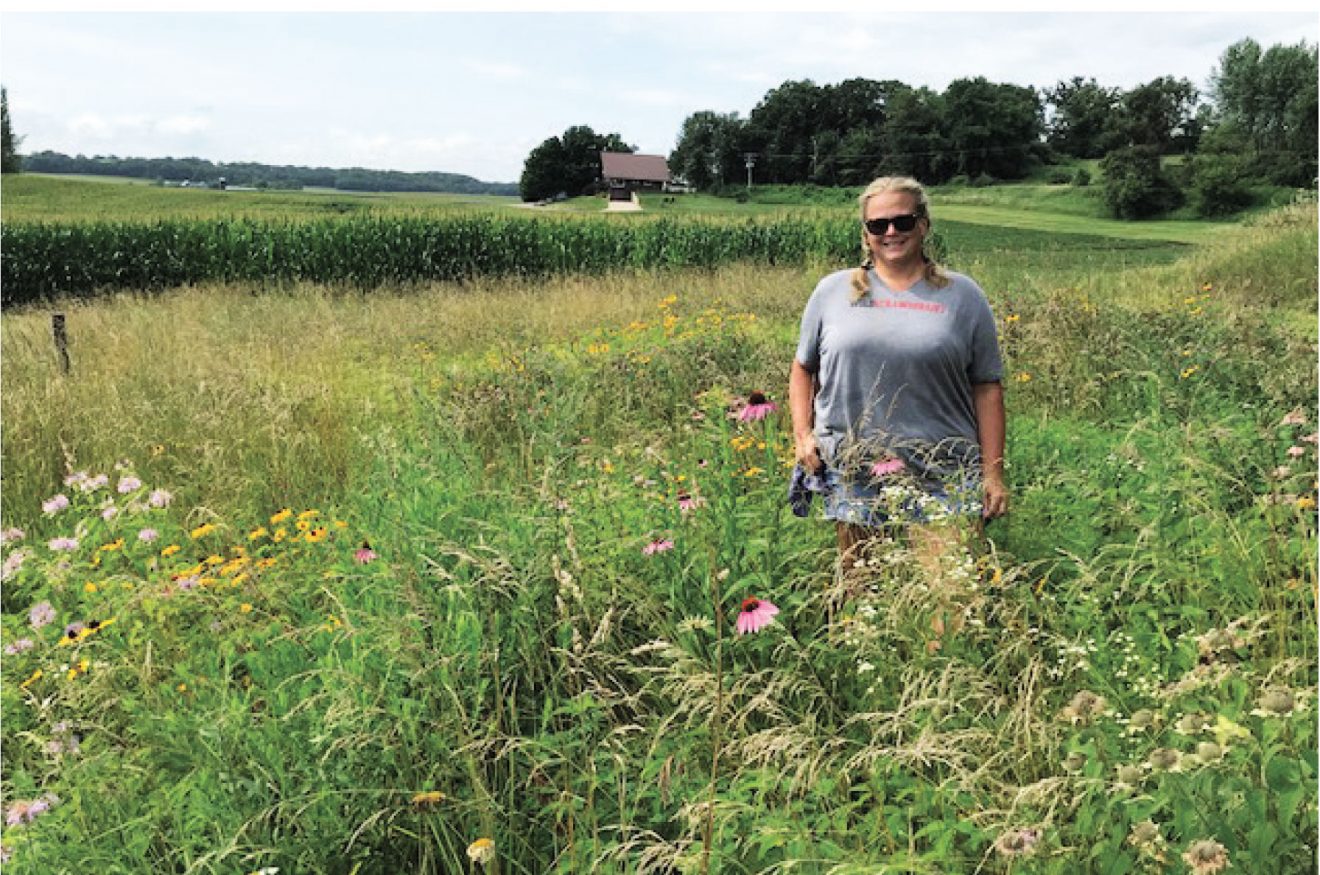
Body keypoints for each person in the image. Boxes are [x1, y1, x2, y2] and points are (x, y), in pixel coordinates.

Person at [789, 175, 1007, 576]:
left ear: (923, 224)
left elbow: (987, 387)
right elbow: (803, 369)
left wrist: (992, 472)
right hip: (856, 470)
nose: (891, 232)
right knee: (862, 599)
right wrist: (803, 435)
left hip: (944, 472)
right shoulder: (832, 292)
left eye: (903, 222)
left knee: (950, 606)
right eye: (878, 225)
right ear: (866, 233)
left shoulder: (963, 296)